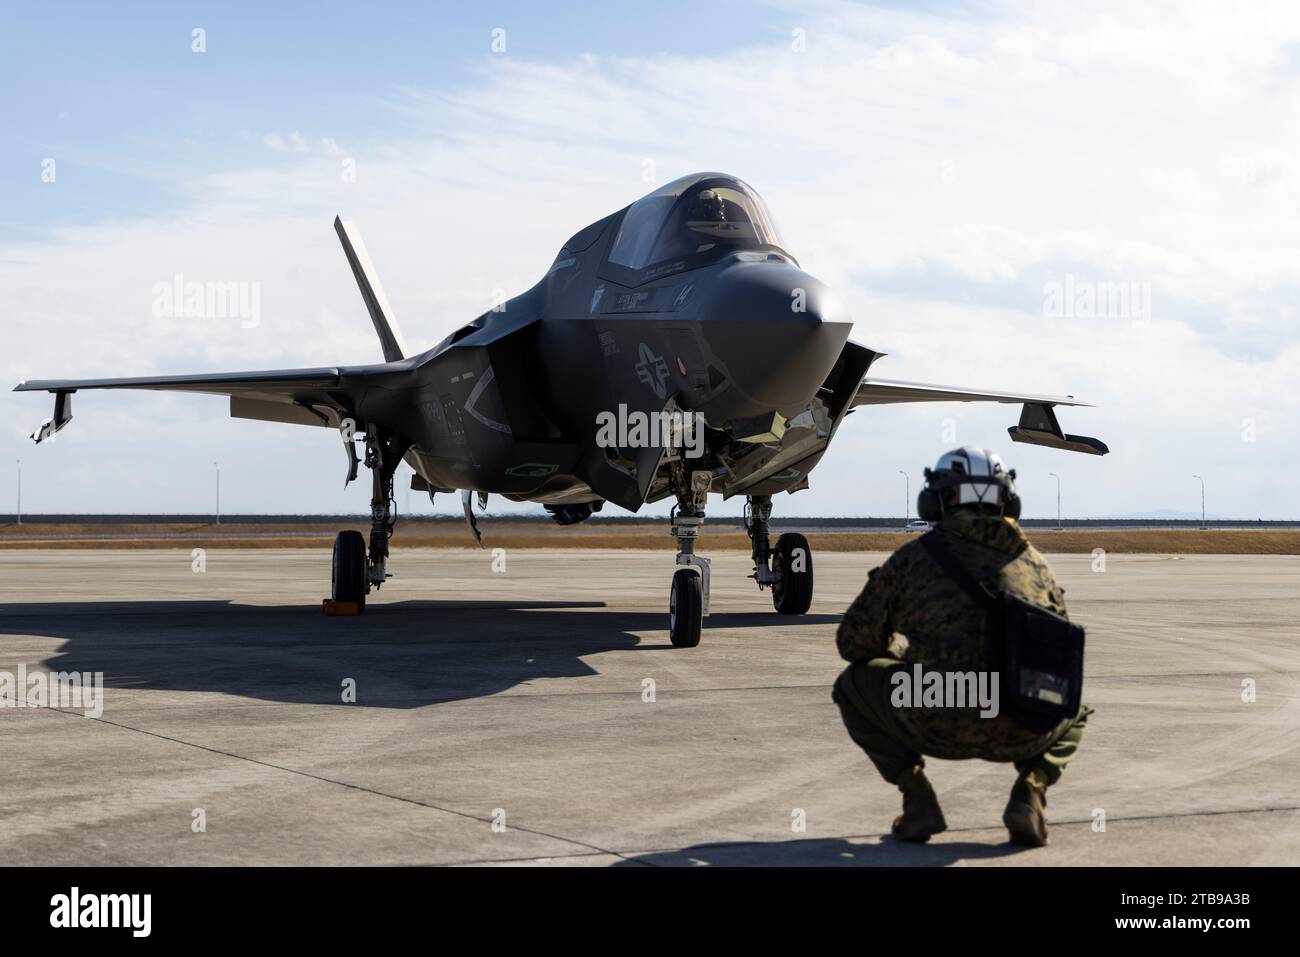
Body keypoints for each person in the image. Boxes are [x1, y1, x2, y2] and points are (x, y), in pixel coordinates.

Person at [832, 447, 1091, 846]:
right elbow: (1054, 661)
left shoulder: (911, 560)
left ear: (938, 499)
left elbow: (853, 643)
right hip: (1022, 728)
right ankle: (1031, 790)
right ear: (1008, 498)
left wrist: (904, 656)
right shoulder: (1038, 565)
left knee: (852, 685)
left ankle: (916, 796)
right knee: (1075, 709)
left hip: (933, 720)